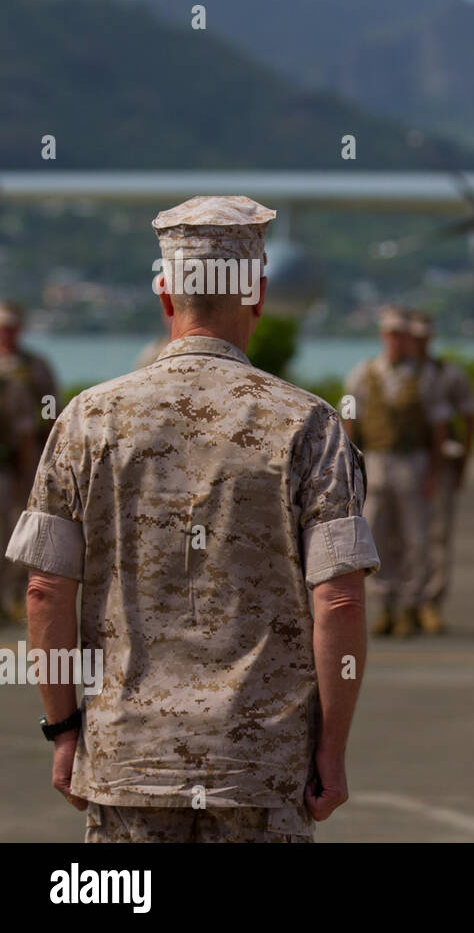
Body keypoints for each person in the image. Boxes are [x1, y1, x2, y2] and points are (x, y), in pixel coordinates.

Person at [6, 195, 379, 841]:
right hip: (260, 768)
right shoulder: (310, 426)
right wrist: (332, 751)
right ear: (257, 295)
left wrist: (64, 732)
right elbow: (340, 601)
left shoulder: (87, 420)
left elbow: (45, 590)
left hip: (128, 761)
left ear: (166, 297)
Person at [343, 308, 447, 638]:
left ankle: (410, 604)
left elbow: (438, 429)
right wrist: (348, 468)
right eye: (389, 334)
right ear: (382, 336)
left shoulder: (427, 378)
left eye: (400, 335)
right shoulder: (363, 374)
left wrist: (434, 473)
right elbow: (350, 421)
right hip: (375, 460)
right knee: (377, 534)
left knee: (415, 537)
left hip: (412, 461)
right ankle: (385, 603)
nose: (395, 340)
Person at [409, 310, 474, 633]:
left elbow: (469, 418)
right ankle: (402, 602)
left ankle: (430, 602)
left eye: (423, 337)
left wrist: (464, 463)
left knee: (436, 535)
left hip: (440, 463)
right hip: (401, 460)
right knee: (399, 536)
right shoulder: (385, 374)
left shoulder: (448, 375)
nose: (418, 343)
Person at [0, 301, 54, 621]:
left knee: (18, 530)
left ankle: (16, 596)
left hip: (23, 460)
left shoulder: (34, 366)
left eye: (11, 325)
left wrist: (47, 445)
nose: (6, 332)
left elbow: (50, 406)